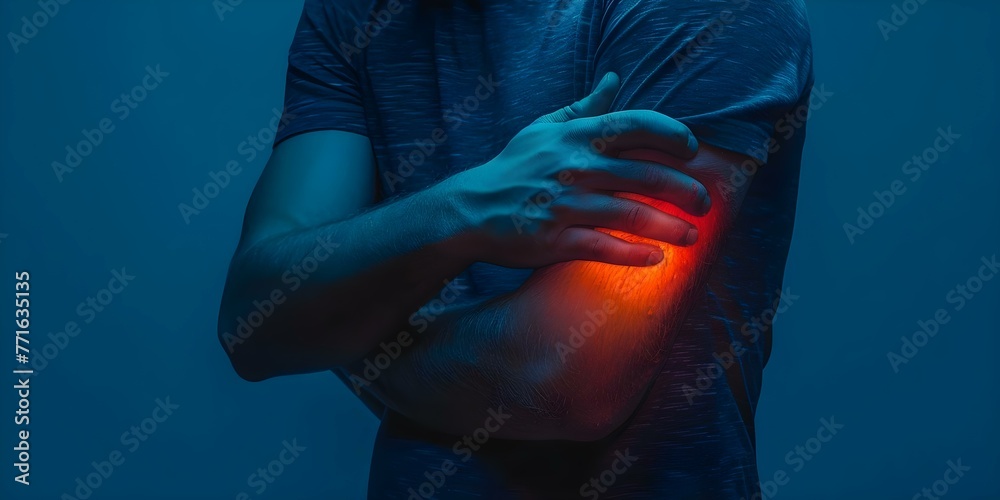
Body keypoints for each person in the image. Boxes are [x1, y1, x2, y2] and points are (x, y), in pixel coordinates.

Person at [218, 0, 814, 497]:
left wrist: (342, 328)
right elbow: (253, 319)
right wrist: (463, 211)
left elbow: (563, 383)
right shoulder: (353, 12)